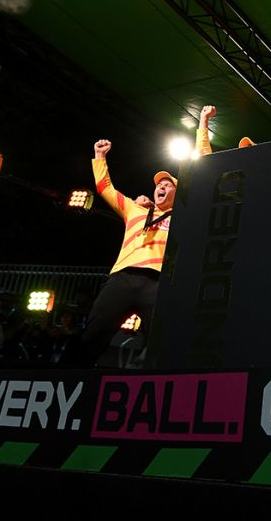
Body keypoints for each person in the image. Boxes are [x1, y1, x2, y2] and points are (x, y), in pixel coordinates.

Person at [76, 106, 215, 365]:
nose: (161, 186)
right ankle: (68, 382)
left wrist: (203, 124)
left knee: (162, 344)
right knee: (92, 336)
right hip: (122, 277)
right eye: (158, 185)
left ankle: (161, 386)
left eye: (168, 184)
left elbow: (206, 167)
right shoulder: (134, 209)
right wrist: (99, 157)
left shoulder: (185, 214)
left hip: (159, 283)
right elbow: (105, 187)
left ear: (179, 191)